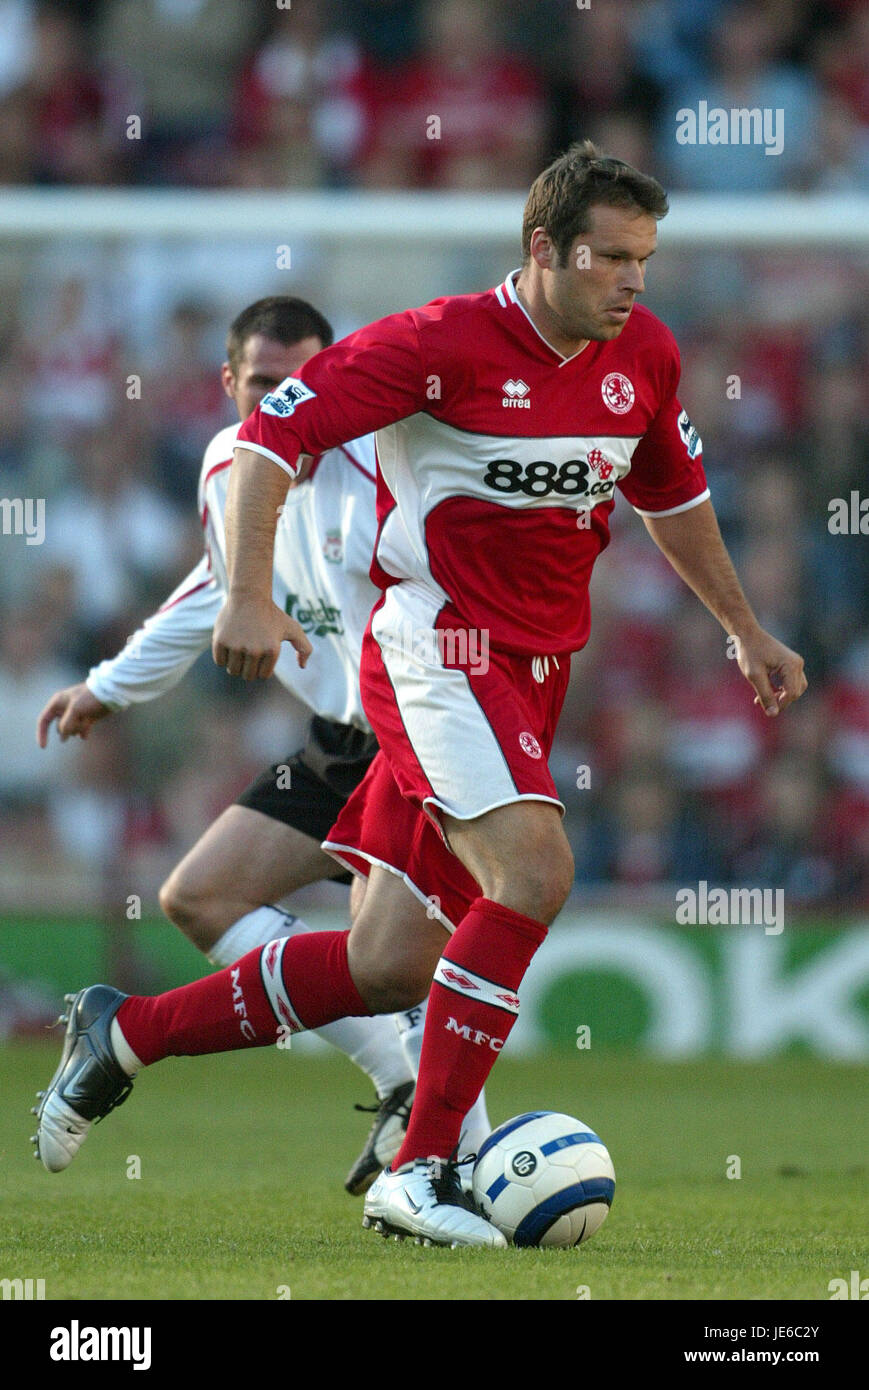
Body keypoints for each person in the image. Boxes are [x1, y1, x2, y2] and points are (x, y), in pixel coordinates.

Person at [34, 145, 806, 1248]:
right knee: (534, 875)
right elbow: (268, 438)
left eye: (645, 258)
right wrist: (247, 596)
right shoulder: (434, 345)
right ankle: (422, 1165)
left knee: (385, 959)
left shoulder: (642, 354)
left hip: (534, 674)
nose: (634, 280)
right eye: (611, 258)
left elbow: (671, 493)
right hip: (435, 651)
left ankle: (126, 1036)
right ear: (542, 250)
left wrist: (742, 625)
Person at [33, 294, 490, 1195]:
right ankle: (405, 1089)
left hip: (416, 732)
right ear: (229, 382)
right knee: (200, 896)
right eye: (266, 386)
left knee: (388, 960)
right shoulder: (226, 470)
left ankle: (454, 1158)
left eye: (310, 381)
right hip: (337, 738)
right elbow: (216, 586)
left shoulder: (384, 460)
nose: (288, 404)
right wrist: (109, 686)